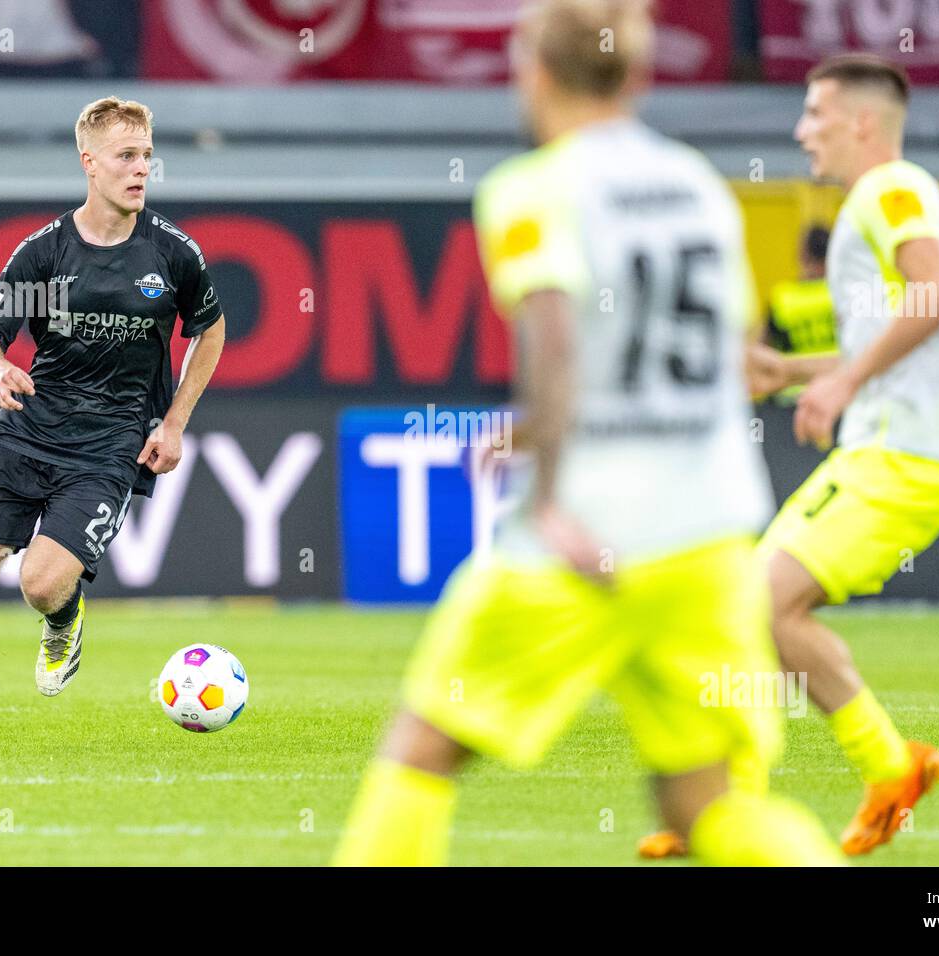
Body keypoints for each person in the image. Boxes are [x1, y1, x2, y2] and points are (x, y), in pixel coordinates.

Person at [331, 0, 840, 867]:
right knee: (707, 799)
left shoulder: (534, 187)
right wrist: (540, 431)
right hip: (708, 533)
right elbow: (711, 354)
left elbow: (558, 334)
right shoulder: (698, 185)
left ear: (531, 69)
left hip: (587, 534)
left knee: (423, 751)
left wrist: (554, 495)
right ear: (637, 75)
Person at [642, 53, 939, 858]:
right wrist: (795, 373)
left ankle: (885, 766)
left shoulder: (887, 188)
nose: (801, 133)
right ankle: (730, 814)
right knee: (750, 614)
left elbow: (938, 294)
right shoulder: (888, 198)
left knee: (759, 606)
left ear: (862, 123)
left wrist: (841, 384)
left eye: (815, 115)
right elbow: (899, 334)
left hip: (904, 454)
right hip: (895, 449)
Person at [0, 96, 226, 748]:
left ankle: (64, 616)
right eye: (126, 156)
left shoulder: (170, 255)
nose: (142, 169)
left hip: (111, 443)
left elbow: (211, 328)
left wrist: (175, 422)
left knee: (41, 583)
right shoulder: (46, 255)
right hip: (28, 430)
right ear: (89, 162)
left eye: (147, 156)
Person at [762, 225, 838, 403]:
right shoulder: (844, 296)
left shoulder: (784, 298)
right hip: (837, 395)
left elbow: (762, 349)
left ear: (803, 255)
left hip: (791, 401)